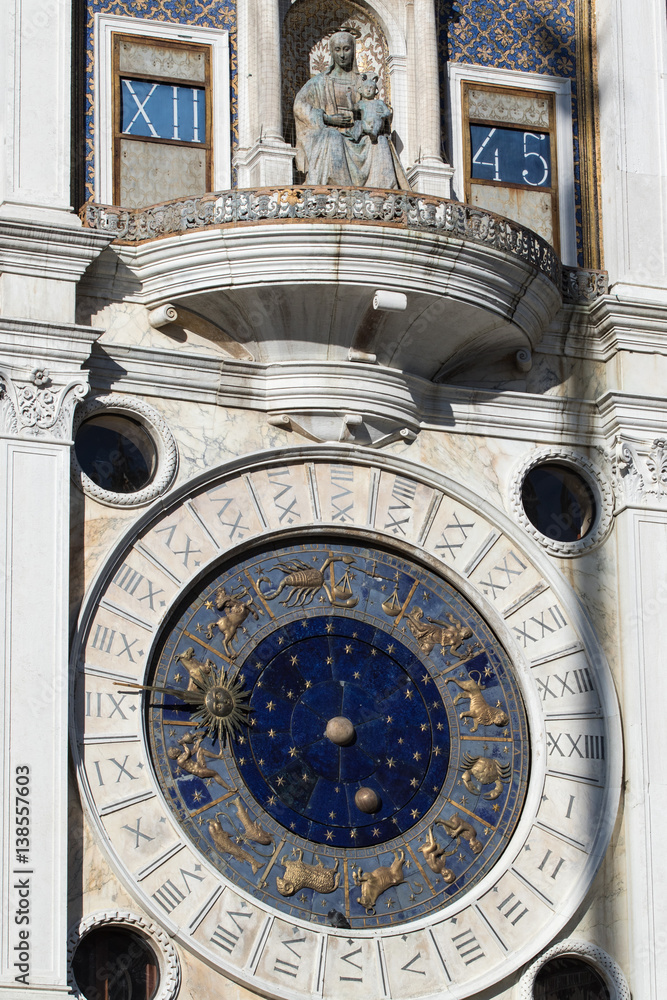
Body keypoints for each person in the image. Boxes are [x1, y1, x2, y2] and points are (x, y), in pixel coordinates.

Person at [293, 30, 410, 189]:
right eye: (337, 50)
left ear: (353, 51)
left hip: (359, 133)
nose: (342, 55)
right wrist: (328, 119)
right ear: (331, 52)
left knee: (380, 141)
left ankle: (381, 191)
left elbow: (376, 109)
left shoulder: (363, 82)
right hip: (330, 131)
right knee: (333, 137)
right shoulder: (319, 81)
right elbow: (299, 105)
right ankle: (339, 189)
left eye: (346, 49)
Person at [345, 72, 391, 144]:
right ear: (361, 90)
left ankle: (374, 134)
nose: (368, 90)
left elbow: (387, 112)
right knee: (358, 122)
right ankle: (354, 138)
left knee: (378, 120)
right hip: (365, 125)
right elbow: (352, 108)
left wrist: (382, 116)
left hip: (375, 125)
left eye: (371, 88)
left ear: (376, 91)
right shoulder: (361, 103)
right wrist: (348, 97)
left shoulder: (379, 102)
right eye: (366, 87)